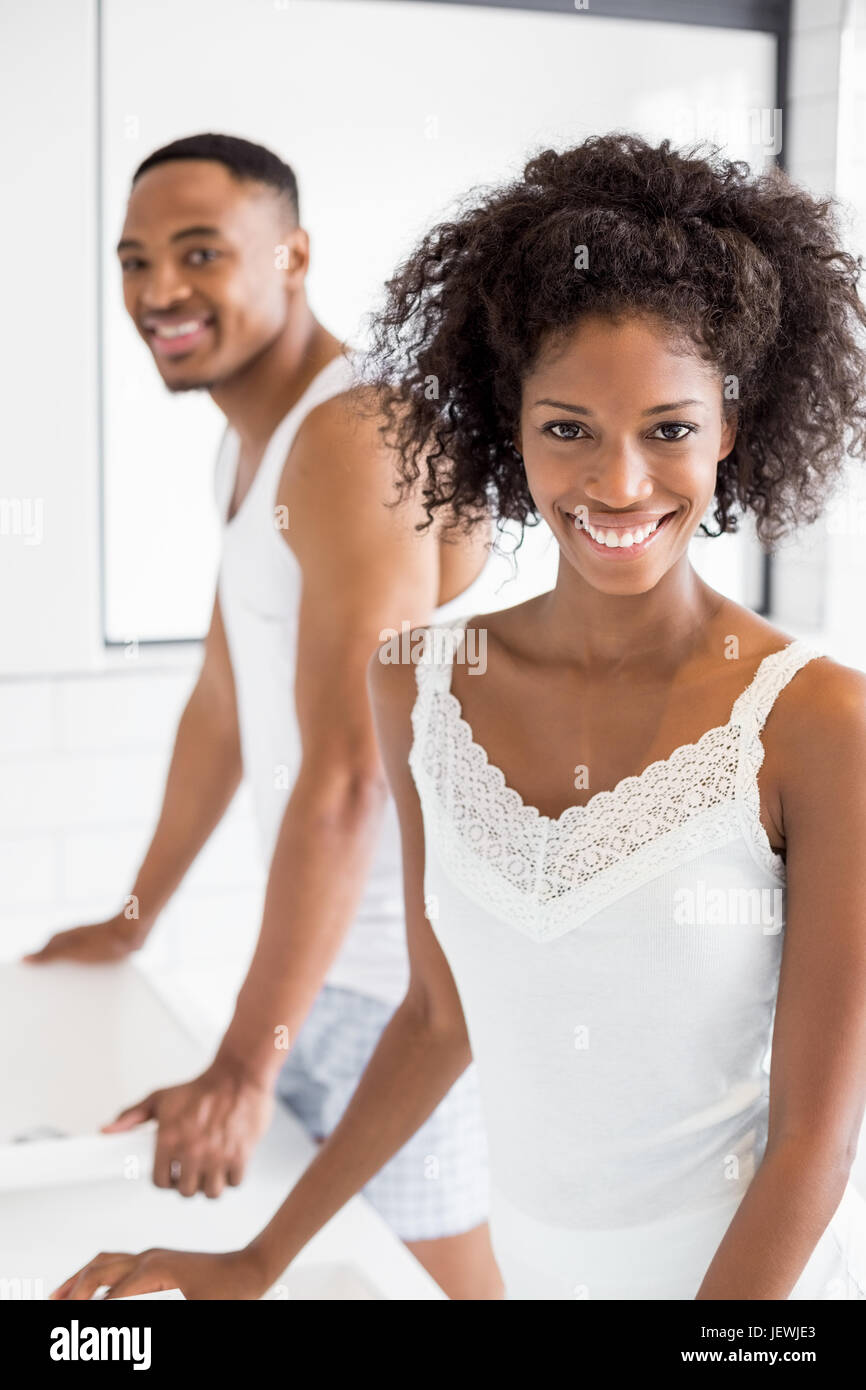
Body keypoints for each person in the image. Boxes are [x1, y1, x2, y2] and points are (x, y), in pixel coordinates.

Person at [52, 133, 866, 1301]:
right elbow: (438, 1018)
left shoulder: (817, 720)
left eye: (669, 429)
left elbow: (814, 1142)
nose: (619, 483)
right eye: (568, 428)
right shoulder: (421, 686)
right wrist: (256, 1259)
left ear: (731, 427)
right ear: (507, 422)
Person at [29, 133, 505, 1299]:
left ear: (292, 255)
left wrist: (244, 1063)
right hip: (333, 978)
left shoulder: (353, 437)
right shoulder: (251, 451)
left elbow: (348, 773)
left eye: (200, 252)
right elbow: (221, 705)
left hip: (407, 990)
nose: (157, 291)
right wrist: (135, 917)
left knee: (436, 1288)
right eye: (133, 260)